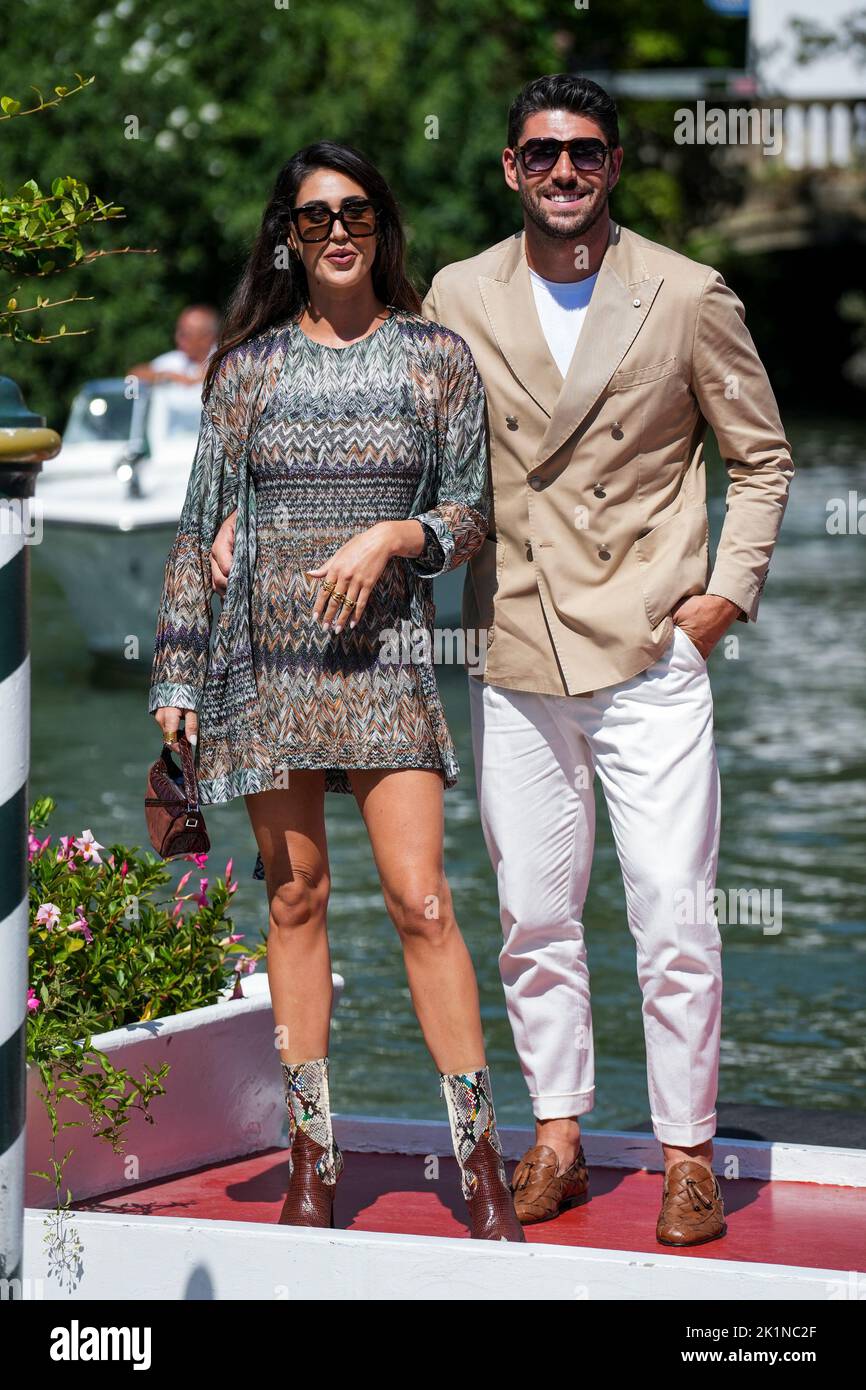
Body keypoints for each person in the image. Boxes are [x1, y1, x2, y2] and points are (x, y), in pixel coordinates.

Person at [418, 73, 794, 1244]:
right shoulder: (455, 291)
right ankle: (560, 1139)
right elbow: (415, 444)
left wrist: (718, 602)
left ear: (613, 165)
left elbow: (763, 457)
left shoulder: (684, 294)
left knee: (673, 915)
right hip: (514, 647)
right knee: (533, 919)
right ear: (510, 167)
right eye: (542, 154)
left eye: (584, 152)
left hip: (648, 650)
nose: (563, 172)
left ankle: (689, 1155)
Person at [147, 141, 524, 1241]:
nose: (338, 231)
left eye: (356, 211)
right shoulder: (247, 369)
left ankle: (479, 1159)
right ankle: (313, 1153)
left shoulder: (435, 357)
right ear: (288, 239)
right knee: (294, 899)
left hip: (387, 665)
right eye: (315, 219)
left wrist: (397, 533)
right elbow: (192, 525)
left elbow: (469, 515)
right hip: (263, 666)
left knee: (423, 902)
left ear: (382, 224)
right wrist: (175, 669)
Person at [129, 305, 220, 386]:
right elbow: (132, 376)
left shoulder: (224, 361)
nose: (177, 338)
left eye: (185, 334)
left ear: (207, 337)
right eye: (178, 332)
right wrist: (168, 376)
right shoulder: (176, 360)